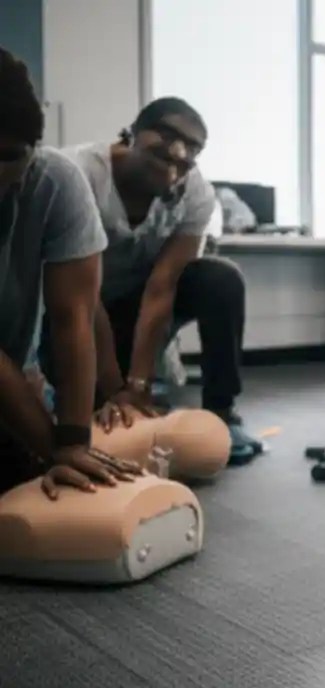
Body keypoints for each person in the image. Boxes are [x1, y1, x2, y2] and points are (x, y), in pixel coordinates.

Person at [57, 98, 262, 464]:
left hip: (136, 303)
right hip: (71, 309)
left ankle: (222, 412)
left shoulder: (196, 193)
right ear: (131, 136)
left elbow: (162, 286)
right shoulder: (77, 176)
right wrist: (115, 387)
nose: (173, 166)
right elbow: (82, 298)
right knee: (90, 411)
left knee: (221, 279)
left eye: (186, 158)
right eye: (163, 145)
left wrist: (138, 384)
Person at [0, 47, 140, 499]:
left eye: (8, 158)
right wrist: (52, 448)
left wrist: (73, 440)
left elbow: (73, 316)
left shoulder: (54, 181)